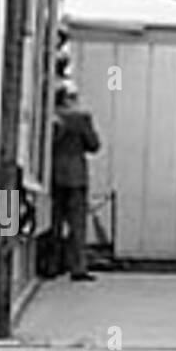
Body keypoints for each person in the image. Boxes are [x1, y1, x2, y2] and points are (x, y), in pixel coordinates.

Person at [51, 83, 101, 281]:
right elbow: (94, 145)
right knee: (77, 225)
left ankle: (51, 264)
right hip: (76, 176)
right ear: (70, 98)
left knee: (53, 222)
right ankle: (77, 267)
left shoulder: (52, 117)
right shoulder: (81, 118)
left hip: (52, 175)